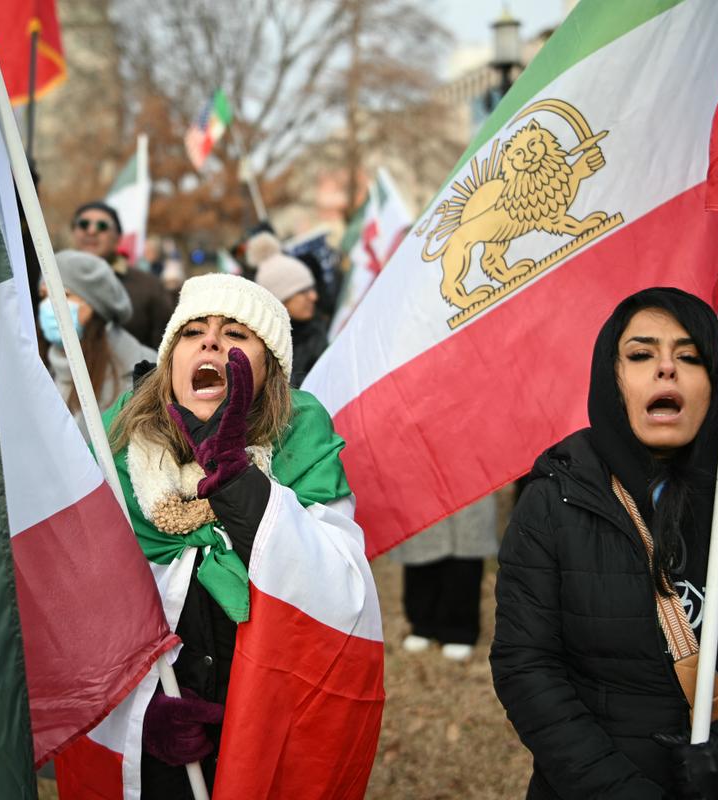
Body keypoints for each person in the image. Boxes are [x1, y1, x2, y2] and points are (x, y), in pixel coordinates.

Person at [491, 287, 718, 798]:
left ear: (714, 382)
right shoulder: (551, 504)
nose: (667, 369)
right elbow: (527, 667)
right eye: (641, 354)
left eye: (690, 356)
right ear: (611, 378)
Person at [102, 274, 383, 797]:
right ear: (170, 362)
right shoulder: (110, 450)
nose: (211, 341)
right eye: (192, 333)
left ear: (268, 370)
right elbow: (81, 604)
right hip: (156, 738)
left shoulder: (305, 441)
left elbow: (341, 592)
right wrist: (136, 711)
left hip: (266, 712)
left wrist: (238, 480)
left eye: (235, 332)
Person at [38, 250, 154, 436]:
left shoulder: (146, 372)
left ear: (95, 304)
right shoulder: (38, 367)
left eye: (63, 295)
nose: (47, 305)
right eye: (44, 295)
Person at [388, 494, 496, 661]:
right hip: (418, 479)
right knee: (419, 541)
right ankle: (422, 624)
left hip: (468, 480)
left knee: (465, 549)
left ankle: (460, 629)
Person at [71, 200, 172, 350]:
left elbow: (166, 349)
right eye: (84, 224)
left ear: (118, 238)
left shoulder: (149, 286)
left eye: (102, 226)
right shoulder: (52, 282)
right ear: (74, 232)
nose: (91, 231)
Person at [248, 232, 328, 387]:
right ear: (280, 302)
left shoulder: (315, 333)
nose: (314, 296)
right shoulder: (267, 358)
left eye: (311, 288)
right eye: (303, 291)